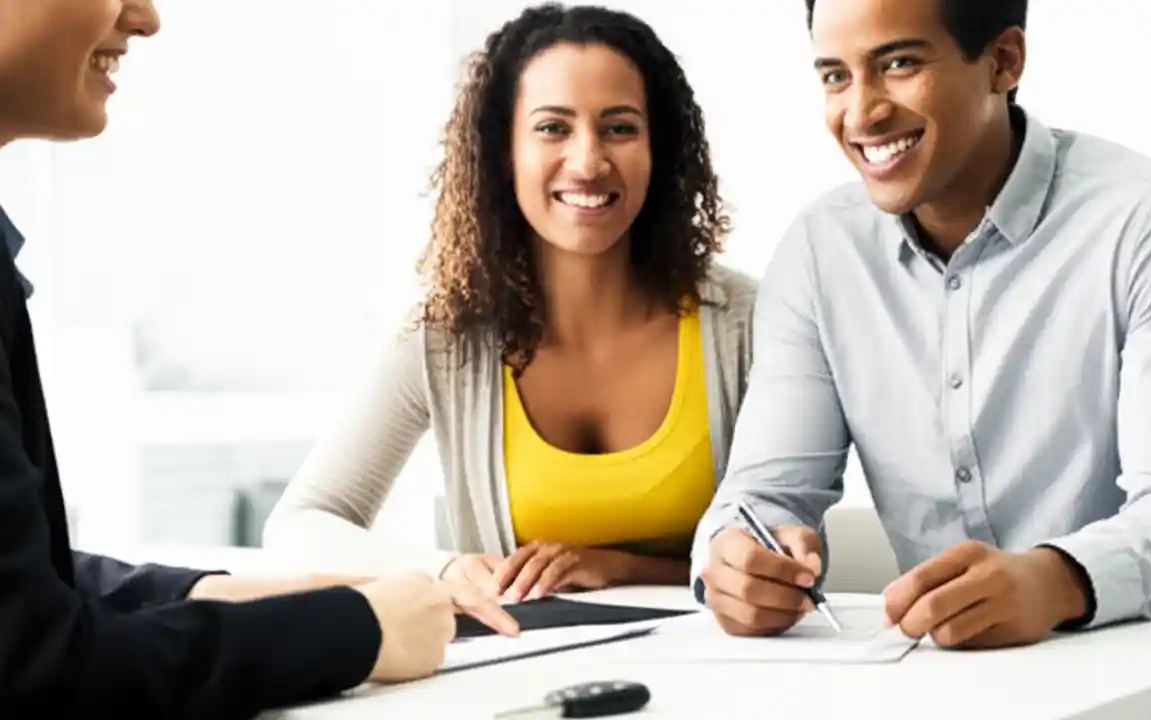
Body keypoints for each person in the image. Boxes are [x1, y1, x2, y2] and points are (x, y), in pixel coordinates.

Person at [0, 1, 516, 716]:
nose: (145, 18)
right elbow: (36, 667)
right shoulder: (446, 334)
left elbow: (22, 591)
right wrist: (355, 631)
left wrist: (203, 592)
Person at [693, 0, 1151, 647]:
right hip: (950, 681)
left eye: (898, 63)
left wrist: (1054, 580)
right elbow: (761, 496)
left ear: (1004, 61)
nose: (861, 112)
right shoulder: (820, 251)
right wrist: (736, 560)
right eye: (835, 76)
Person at [264, 3, 754, 605]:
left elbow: (784, 553)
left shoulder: (743, 324)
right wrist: (444, 571)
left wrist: (618, 568)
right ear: (503, 152)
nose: (588, 161)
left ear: (661, 149)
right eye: (553, 128)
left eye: (620, 127)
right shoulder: (446, 340)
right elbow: (300, 526)